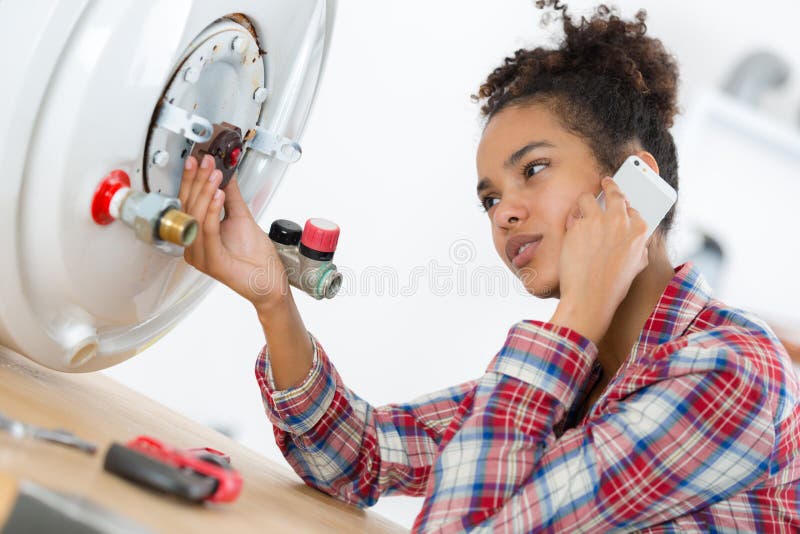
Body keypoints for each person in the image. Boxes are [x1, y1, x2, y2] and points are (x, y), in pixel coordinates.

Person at [177, 2, 800, 531]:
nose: (502, 215)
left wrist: (577, 314)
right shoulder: (585, 372)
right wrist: (273, 302)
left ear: (633, 184)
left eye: (533, 169)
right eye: (490, 198)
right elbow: (363, 455)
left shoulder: (733, 371)